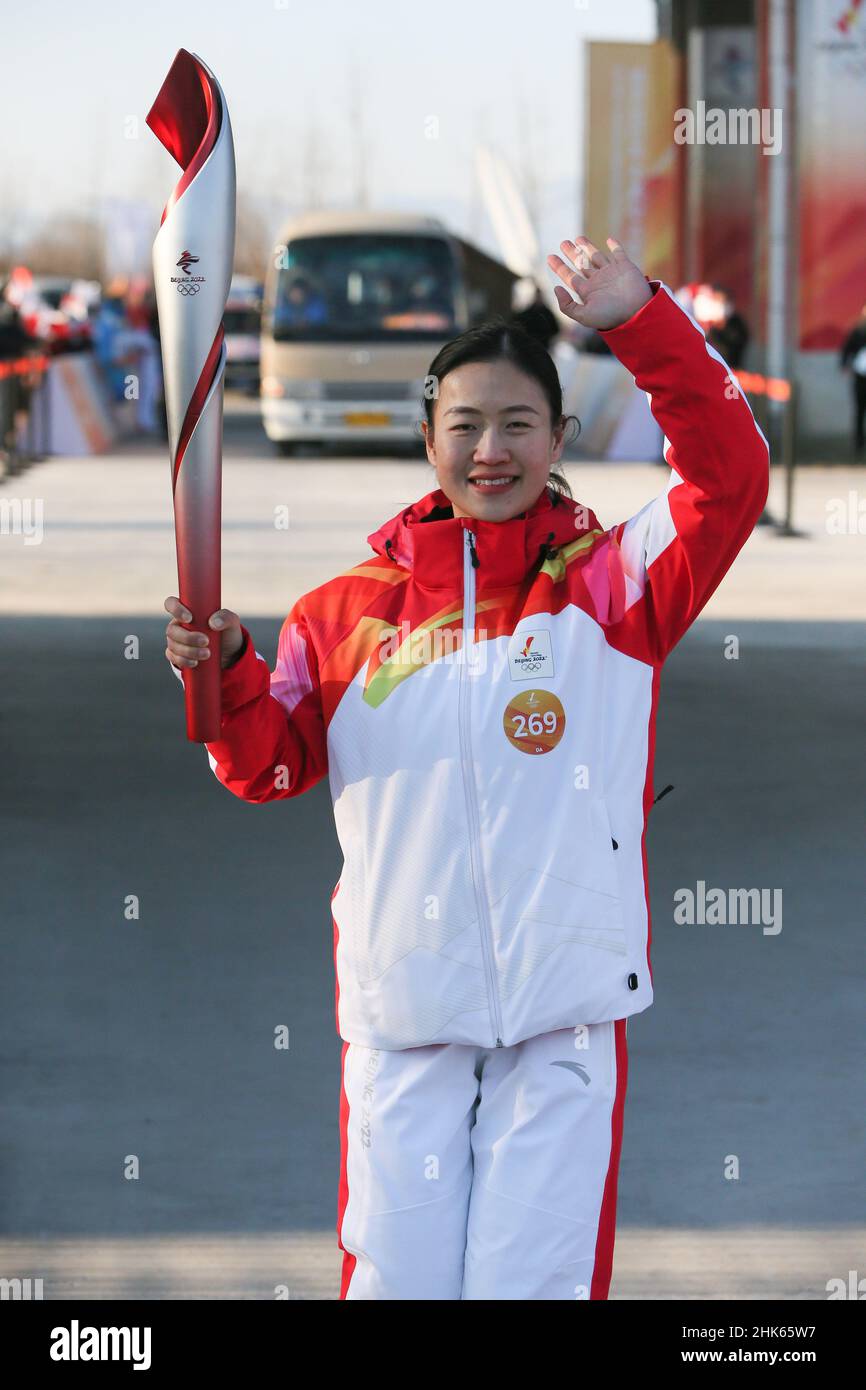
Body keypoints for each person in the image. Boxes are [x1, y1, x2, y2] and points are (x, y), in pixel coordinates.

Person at [163, 234, 770, 1300]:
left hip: (564, 1011)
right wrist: (223, 679)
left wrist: (639, 319)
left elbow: (729, 477)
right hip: (405, 1013)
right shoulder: (338, 616)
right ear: (428, 441)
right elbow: (265, 768)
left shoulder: (613, 588)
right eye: (464, 425)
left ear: (558, 436)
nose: (491, 448)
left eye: (517, 423)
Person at [839, 304, 866, 454]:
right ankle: (858, 443)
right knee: (859, 411)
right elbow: (847, 349)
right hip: (860, 377)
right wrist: (844, 364)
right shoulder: (857, 331)